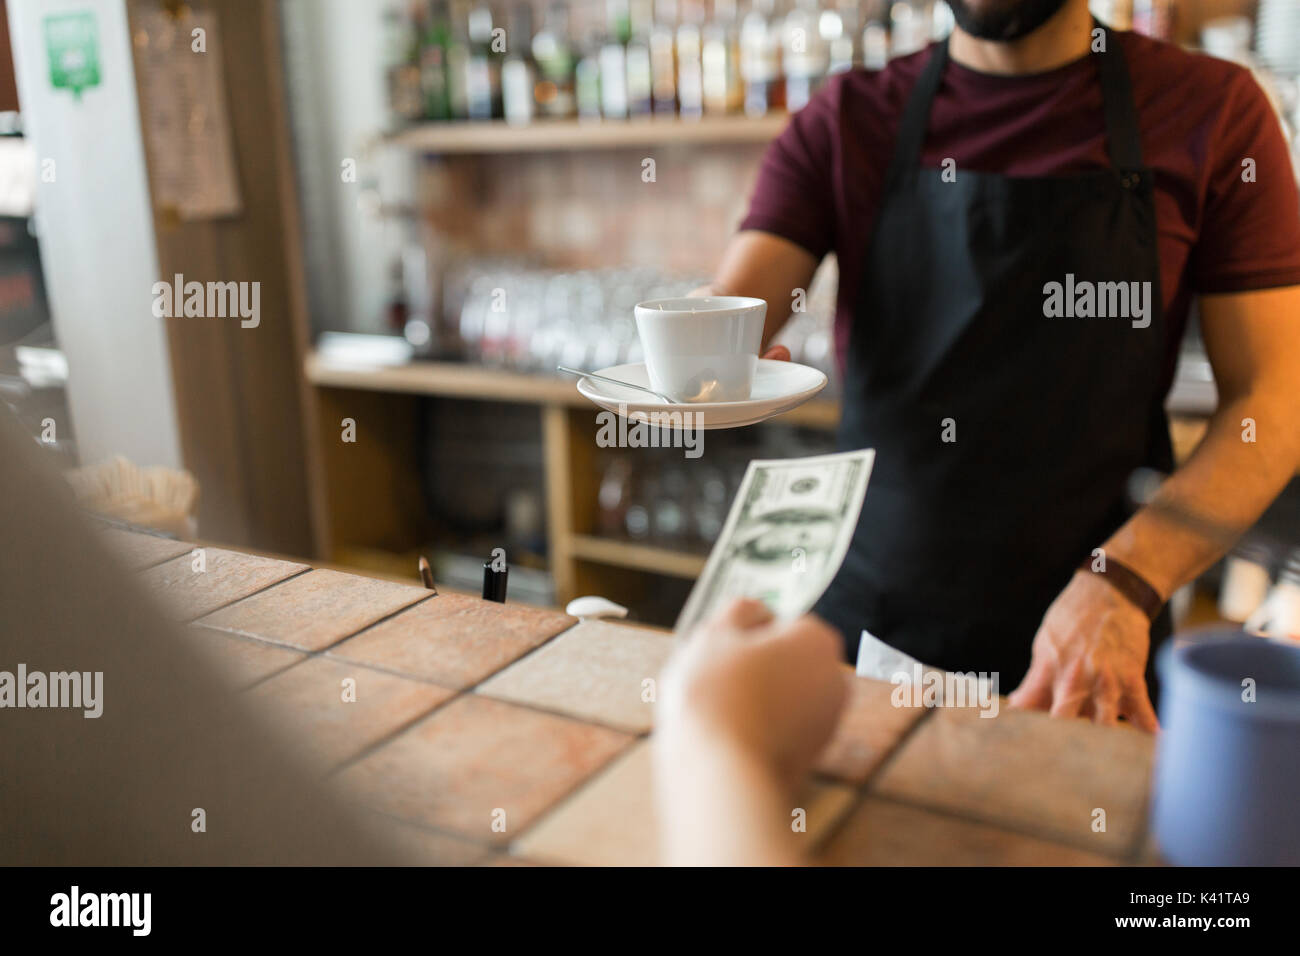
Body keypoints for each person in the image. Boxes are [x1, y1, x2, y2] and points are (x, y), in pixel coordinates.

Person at [698, 0, 1300, 728]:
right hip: (873, 637)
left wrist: (1128, 583)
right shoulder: (847, 118)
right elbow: (730, 317)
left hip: (1093, 648)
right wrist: (696, 355)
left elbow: (1273, 400)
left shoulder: (1212, 111)